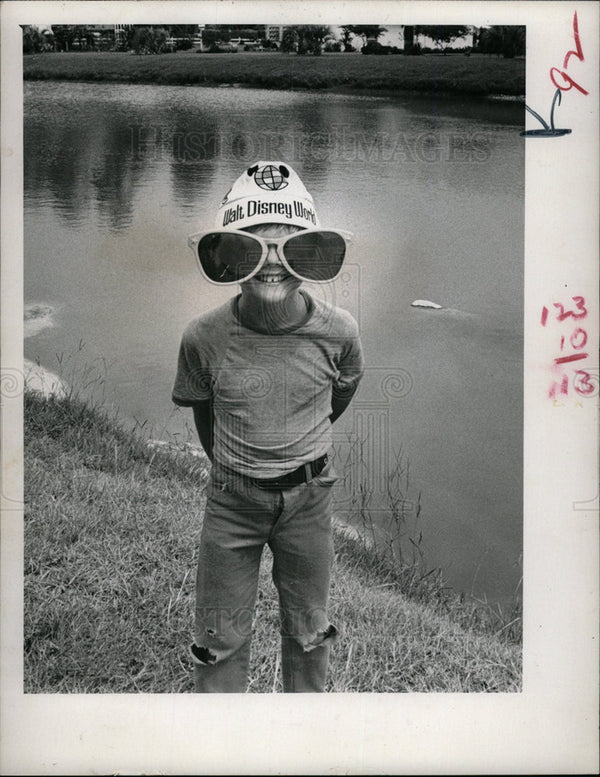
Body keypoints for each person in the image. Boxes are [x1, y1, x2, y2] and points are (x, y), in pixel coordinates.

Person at [172, 161, 364, 692]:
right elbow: (204, 412)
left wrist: (300, 448)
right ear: (225, 256)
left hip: (310, 500)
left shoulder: (340, 332)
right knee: (218, 637)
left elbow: (340, 392)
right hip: (232, 502)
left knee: (310, 631)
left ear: (314, 252)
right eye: (251, 247)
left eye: (291, 247)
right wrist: (236, 467)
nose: (273, 263)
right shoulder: (203, 337)